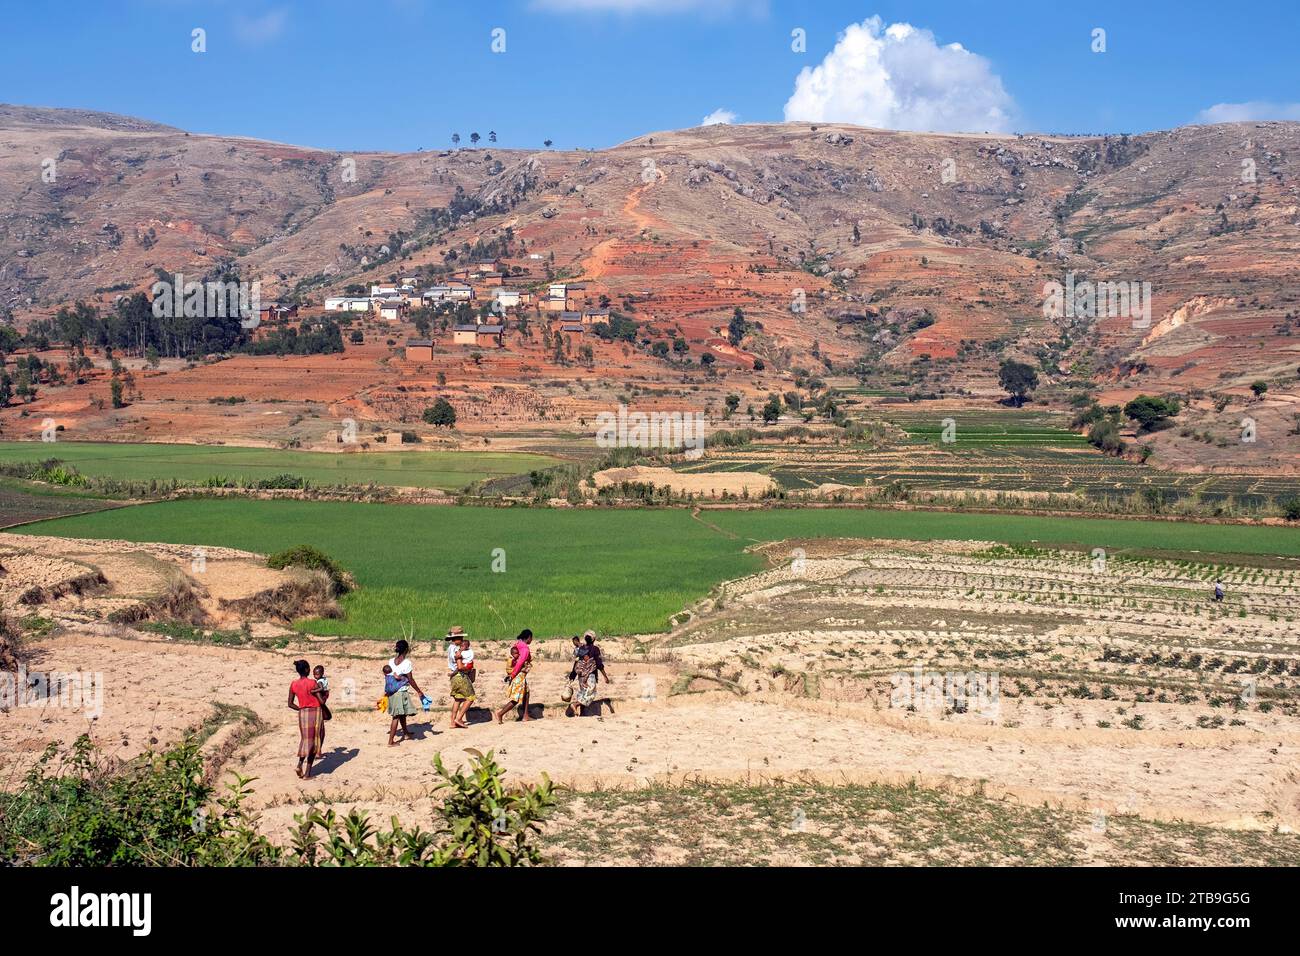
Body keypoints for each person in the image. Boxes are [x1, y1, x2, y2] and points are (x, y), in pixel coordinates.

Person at [288, 659, 324, 778]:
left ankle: (299, 764)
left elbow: (290, 703)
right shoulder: (313, 683)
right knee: (314, 741)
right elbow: (321, 700)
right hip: (315, 712)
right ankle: (307, 773)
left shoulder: (294, 684)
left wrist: (301, 709)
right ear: (308, 670)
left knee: (305, 740)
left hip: (302, 713)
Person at [387, 639, 426, 746]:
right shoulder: (407, 663)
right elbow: (411, 679)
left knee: (402, 713)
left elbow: (388, 676)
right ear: (406, 650)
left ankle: (406, 733)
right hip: (400, 692)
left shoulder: (391, 661)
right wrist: (419, 691)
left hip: (392, 692)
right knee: (396, 716)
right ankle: (391, 741)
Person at [496, 639, 532, 724]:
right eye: (516, 653)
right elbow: (517, 667)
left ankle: (525, 715)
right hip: (518, 680)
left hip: (522, 679)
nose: (518, 654)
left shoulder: (518, 658)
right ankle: (500, 714)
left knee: (527, 693)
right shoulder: (513, 660)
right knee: (515, 699)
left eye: (518, 653)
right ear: (512, 654)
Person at [448, 634, 476, 729]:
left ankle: (452, 722)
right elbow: (460, 667)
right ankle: (458, 719)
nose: (462, 640)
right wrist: (467, 667)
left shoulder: (451, 648)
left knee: (458, 699)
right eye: (461, 638)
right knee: (470, 697)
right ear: (456, 639)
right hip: (461, 676)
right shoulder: (458, 651)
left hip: (454, 677)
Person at [569, 644, 599, 717]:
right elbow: (595, 667)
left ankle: (582, 713)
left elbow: (576, 669)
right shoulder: (587, 662)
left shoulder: (580, 662)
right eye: (587, 656)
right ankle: (575, 705)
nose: (588, 657)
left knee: (583, 694)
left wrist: (572, 677)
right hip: (586, 680)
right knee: (590, 694)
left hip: (581, 679)